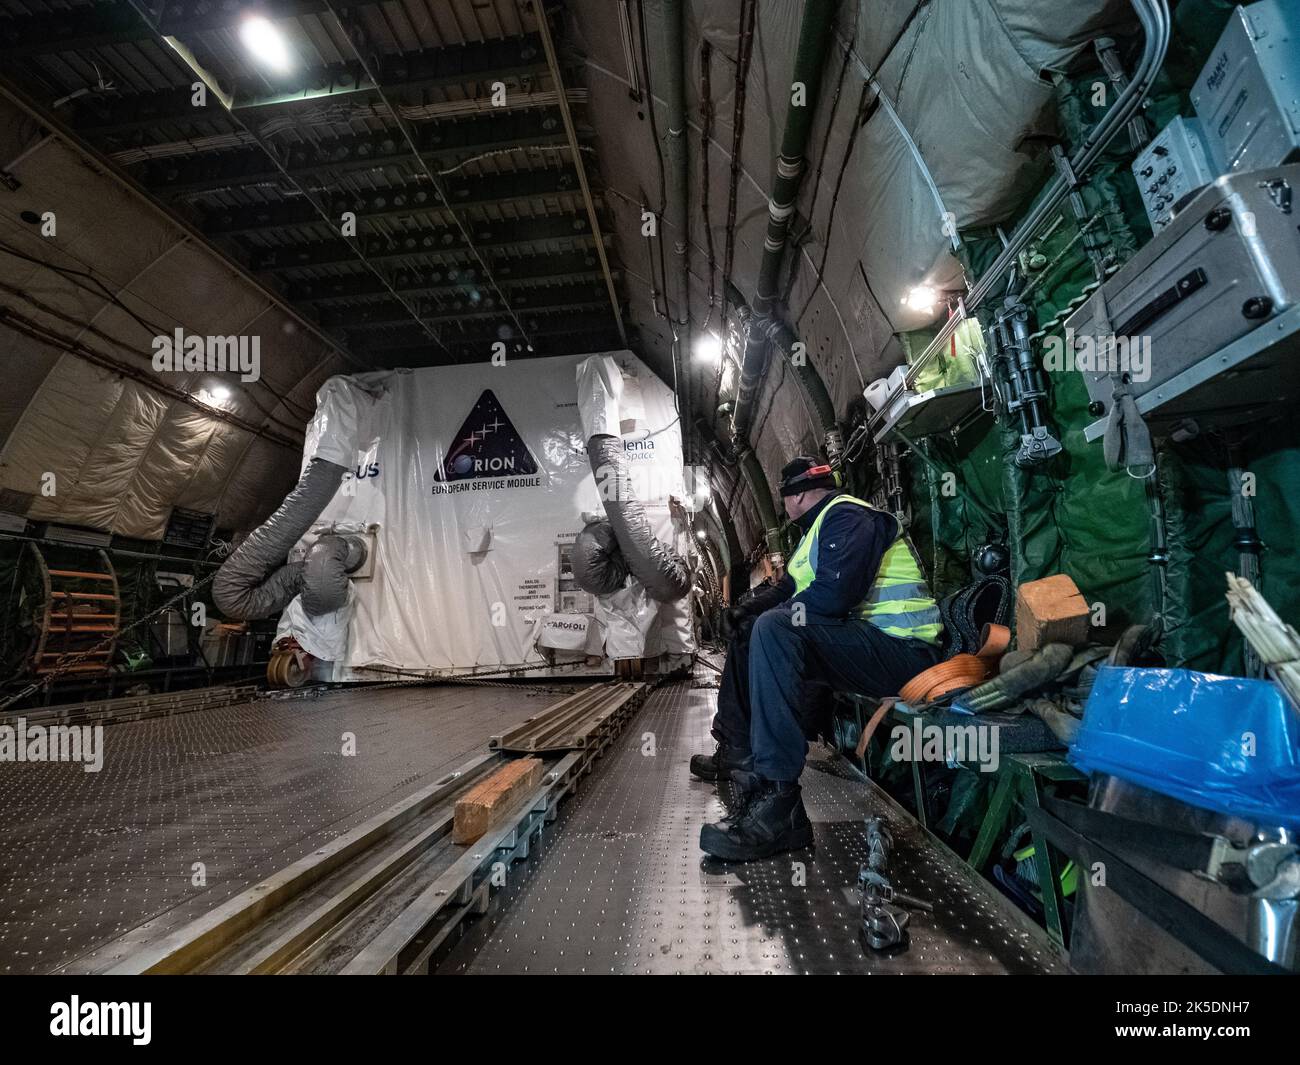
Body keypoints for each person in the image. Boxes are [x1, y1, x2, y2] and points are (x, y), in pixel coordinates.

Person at [694, 455, 944, 861]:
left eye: (785, 500)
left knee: (775, 628)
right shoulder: (817, 533)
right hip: (865, 646)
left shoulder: (848, 517)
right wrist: (742, 612)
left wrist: (770, 617)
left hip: (906, 654)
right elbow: (788, 591)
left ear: (797, 497)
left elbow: (834, 595)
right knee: (752, 631)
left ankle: (781, 804)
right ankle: (738, 749)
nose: (786, 509)